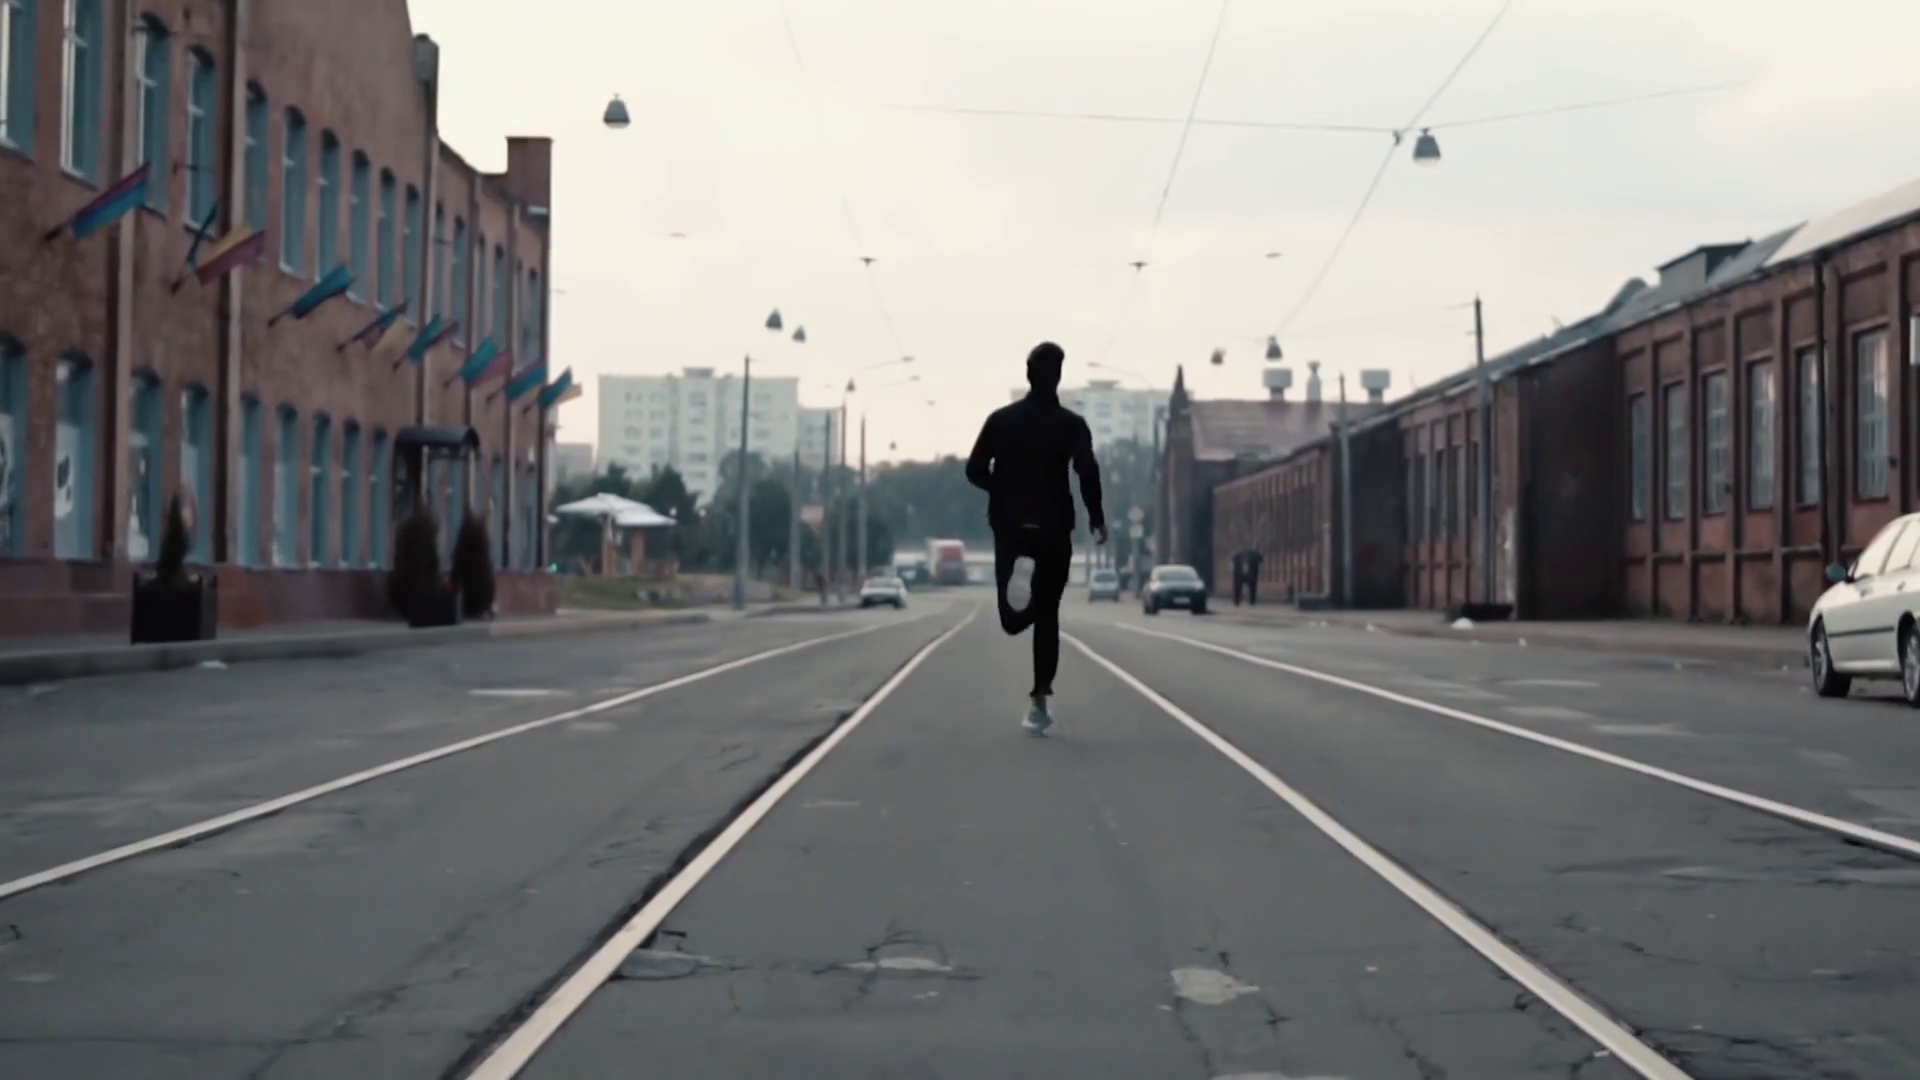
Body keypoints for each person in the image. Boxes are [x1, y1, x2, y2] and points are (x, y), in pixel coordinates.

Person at [966, 341, 1106, 734]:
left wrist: (1001, 489)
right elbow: (1087, 471)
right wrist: (1096, 517)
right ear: (1058, 377)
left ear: (1027, 374)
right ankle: (1039, 702)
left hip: (1011, 525)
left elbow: (974, 469)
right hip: (1055, 527)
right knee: (1048, 615)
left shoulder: (1001, 420)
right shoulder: (1072, 425)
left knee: (1012, 620)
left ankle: (1020, 583)